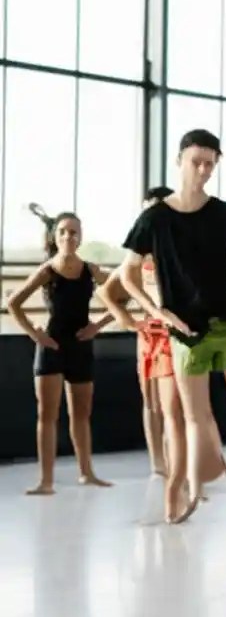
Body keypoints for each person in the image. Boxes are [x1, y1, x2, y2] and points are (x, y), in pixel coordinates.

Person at [118, 128, 226, 523]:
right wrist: (159, 312)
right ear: (180, 160)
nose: (202, 170)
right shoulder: (154, 219)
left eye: (209, 163)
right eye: (196, 161)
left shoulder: (225, 212)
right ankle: (192, 490)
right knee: (192, 417)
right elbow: (127, 275)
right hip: (185, 333)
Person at [99, 186, 226, 487]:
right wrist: (128, 321)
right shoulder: (137, 255)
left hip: (180, 334)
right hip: (150, 335)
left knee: (184, 406)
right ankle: (159, 463)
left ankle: (191, 466)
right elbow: (107, 291)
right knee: (153, 402)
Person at [7, 206, 115, 494]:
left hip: (81, 347)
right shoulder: (47, 271)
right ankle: (46, 481)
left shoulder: (90, 270)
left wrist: (97, 325)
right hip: (52, 347)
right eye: (63, 231)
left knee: (81, 414)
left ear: (81, 237)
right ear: (55, 237)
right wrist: (35, 334)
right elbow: (13, 303)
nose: (69, 236)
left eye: (74, 232)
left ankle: (87, 473)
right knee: (47, 414)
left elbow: (123, 293)